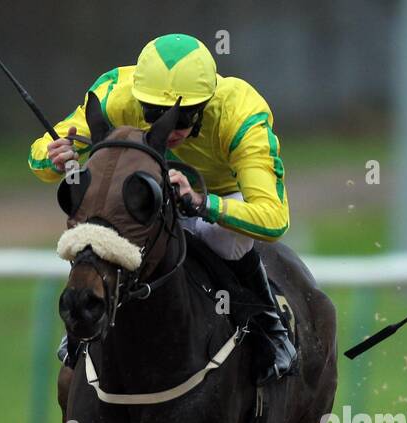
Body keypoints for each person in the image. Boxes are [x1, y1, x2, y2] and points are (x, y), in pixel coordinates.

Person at [29, 33, 297, 383]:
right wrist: (55, 158)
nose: (166, 126)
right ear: (139, 99)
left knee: (226, 238)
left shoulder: (241, 113)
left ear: (205, 106)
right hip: (149, 193)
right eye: (152, 113)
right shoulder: (116, 93)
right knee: (112, 214)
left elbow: (273, 219)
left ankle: (266, 323)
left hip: (219, 196)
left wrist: (202, 203)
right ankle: (87, 317)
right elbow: (39, 155)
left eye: (181, 117)